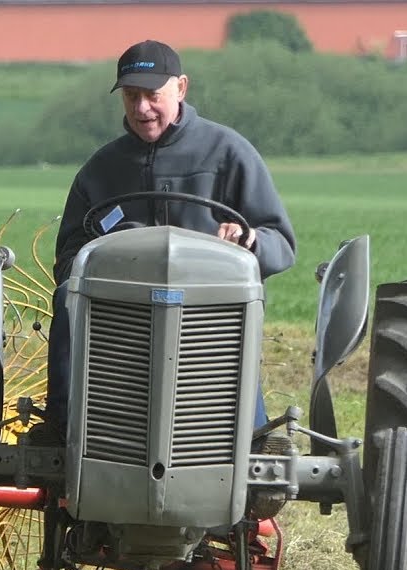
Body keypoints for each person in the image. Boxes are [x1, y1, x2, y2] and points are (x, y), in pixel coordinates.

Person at [39, 39, 297, 440]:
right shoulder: (101, 169)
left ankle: (252, 438)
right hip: (120, 323)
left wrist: (249, 240)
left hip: (209, 318)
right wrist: (108, 257)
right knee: (68, 296)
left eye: (152, 95)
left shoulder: (228, 153)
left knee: (239, 314)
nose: (142, 108)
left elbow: (280, 241)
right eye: (131, 96)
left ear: (181, 88)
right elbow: (69, 258)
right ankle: (61, 427)